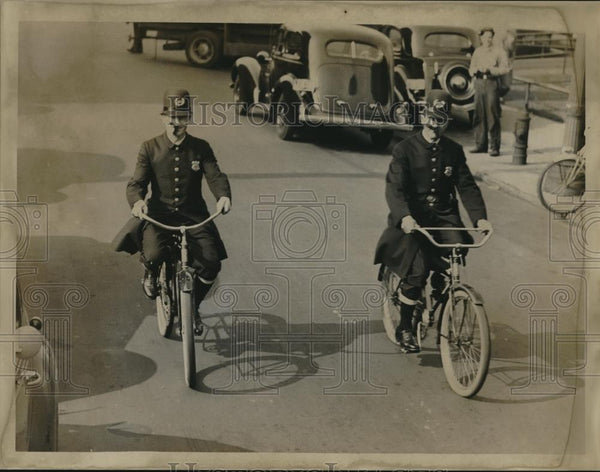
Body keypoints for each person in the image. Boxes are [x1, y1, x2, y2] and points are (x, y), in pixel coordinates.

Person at [374, 90, 491, 353]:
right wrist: (404, 216)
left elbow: (467, 186)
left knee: (458, 252)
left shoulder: (454, 151)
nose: (434, 125)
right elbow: (395, 188)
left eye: (441, 120)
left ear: (447, 121)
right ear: (424, 116)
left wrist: (480, 218)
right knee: (417, 271)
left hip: (444, 217)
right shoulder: (404, 150)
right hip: (412, 220)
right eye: (430, 118)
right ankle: (405, 327)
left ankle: (443, 291)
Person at [112, 89, 231, 331]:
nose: (177, 124)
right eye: (172, 118)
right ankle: (150, 272)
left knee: (210, 263)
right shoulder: (149, 148)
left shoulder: (201, 148)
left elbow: (215, 175)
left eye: (183, 118)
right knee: (154, 255)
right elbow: (136, 183)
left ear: (189, 119)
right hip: (159, 216)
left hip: (193, 216)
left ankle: (193, 306)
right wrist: (137, 202)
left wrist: (223, 196)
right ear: (163, 118)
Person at [468, 27, 511, 157]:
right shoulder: (477, 52)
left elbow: (505, 68)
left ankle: (494, 147)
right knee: (479, 114)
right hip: (479, 83)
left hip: (492, 83)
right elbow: (471, 68)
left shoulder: (499, 52)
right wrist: (475, 70)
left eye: (490, 37)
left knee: (492, 114)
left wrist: (490, 69)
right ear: (481, 38)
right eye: (485, 37)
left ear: (493, 38)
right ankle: (480, 144)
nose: (488, 40)